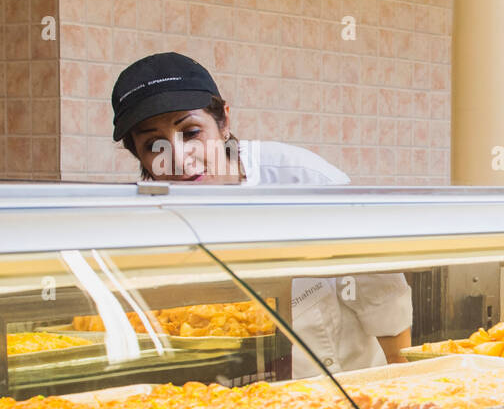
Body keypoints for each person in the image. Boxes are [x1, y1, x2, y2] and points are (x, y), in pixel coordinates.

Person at [111, 52, 412, 374]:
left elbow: (380, 289)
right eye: (154, 143)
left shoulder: (302, 179)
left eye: (191, 133)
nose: (179, 159)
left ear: (223, 121)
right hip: (215, 393)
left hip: (341, 385)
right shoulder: (144, 216)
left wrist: (401, 372)